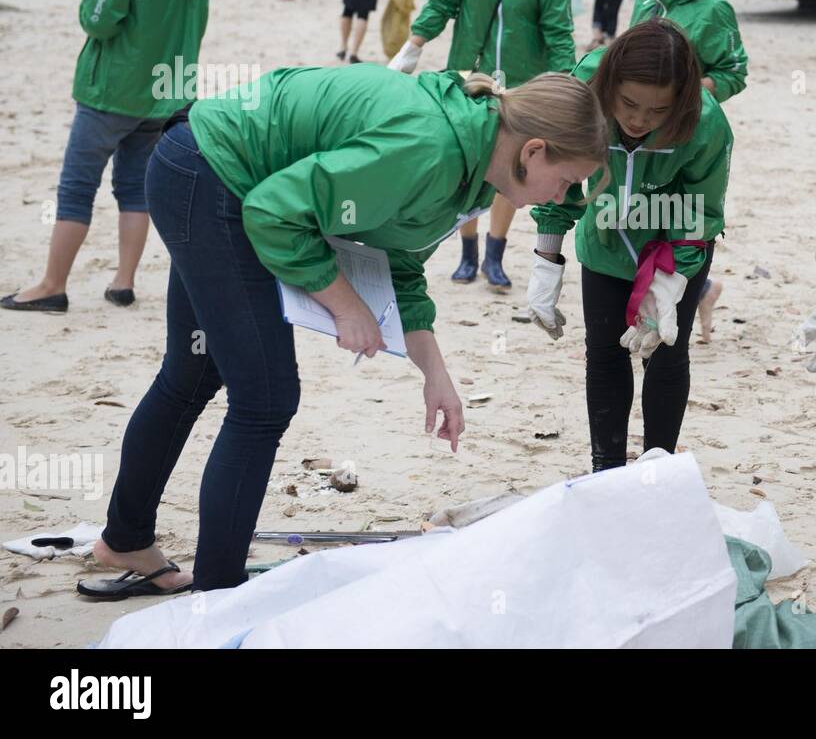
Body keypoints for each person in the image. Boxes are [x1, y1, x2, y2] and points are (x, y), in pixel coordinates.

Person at [73, 63, 608, 598]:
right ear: (534, 151)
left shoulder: (474, 153)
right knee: (265, 400)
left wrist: (435, 374)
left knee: (193, 373)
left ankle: (126, 539)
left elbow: (395, 260)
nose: (562, 197)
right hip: (210, 171)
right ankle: (217, 597)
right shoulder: (430, 147)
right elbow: (273, 214)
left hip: (209, 166)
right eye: (566, 181)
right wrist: (347, 308)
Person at [3, 0, 208, 313]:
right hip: (163, 99)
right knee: (134, 187)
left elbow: (99, 23)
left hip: (110, 95)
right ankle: (123, 280)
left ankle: (52, 284)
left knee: (77, 187)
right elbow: (190, 29)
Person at [527, 19, 732, 472]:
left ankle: (658, 470)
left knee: (666, 355)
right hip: (603, 242)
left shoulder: (706, 122)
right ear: (610, 85)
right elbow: (559, 177)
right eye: (629, 103)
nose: (640, 120)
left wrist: (670, 280)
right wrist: (546, 258)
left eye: (659, 111)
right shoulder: (583, 93)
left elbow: (703, 212)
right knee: (604, 352)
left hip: (675, 251)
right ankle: (607, 471)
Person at [389, 0, 575, 291]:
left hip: (521, 83)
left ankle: (496, 254)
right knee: (466, 165)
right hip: (467, 75)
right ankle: (467, 253)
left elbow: (558, 29)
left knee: (513, 168)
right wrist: (413, 45)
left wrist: (567, 82)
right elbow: (442, 0)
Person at [631, 0, 751, 339]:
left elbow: (734, 72)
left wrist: (687, 92)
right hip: (636, 132)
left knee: (678, 225)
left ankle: (688, 300)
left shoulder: (714, 8)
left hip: (686, 137)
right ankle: (700, 294)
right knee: (637, 219)